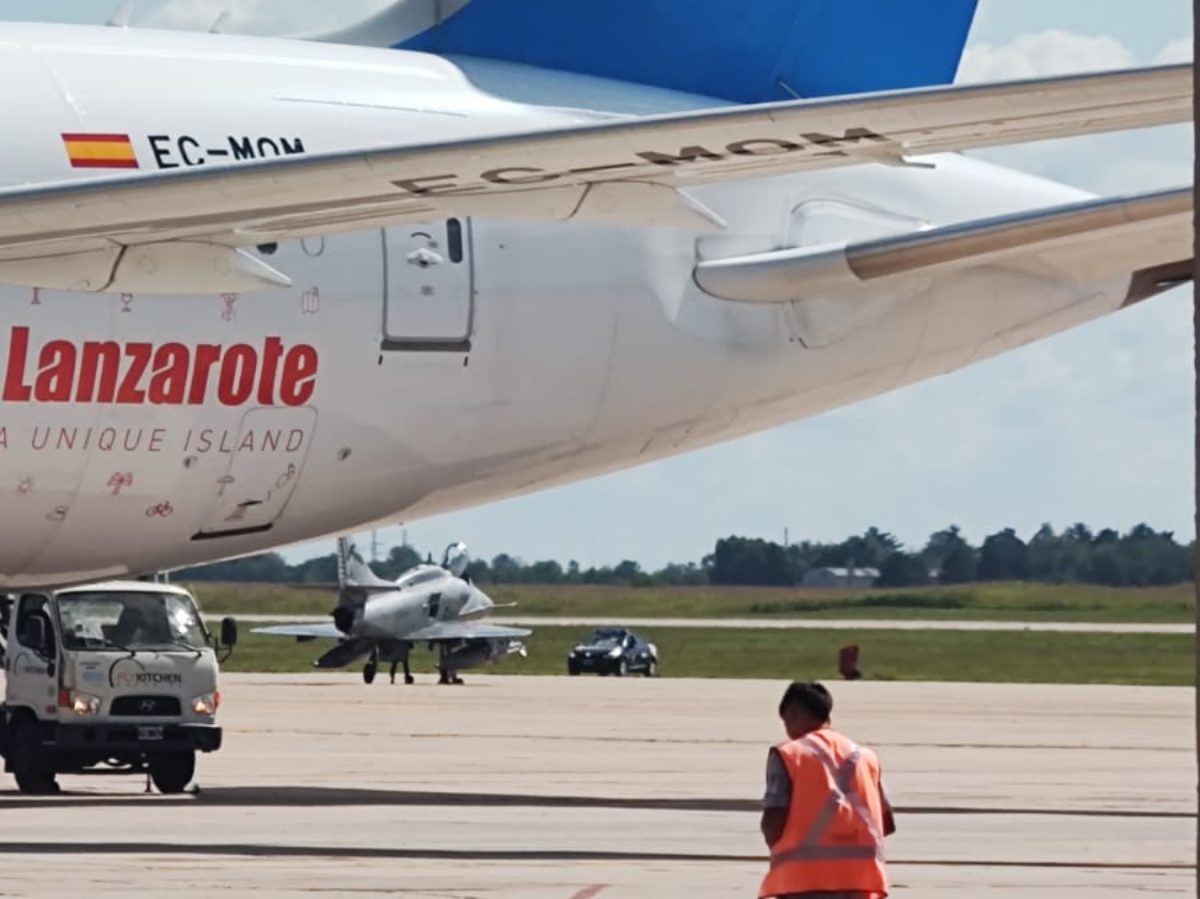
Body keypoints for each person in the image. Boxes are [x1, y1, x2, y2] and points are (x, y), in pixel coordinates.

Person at [759, 681, 895, 899]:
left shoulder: (789, 754)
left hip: (804, 881)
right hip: (862, 881)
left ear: (793, 714)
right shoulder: (865, 757)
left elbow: (774, 817)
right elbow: (886, 823)